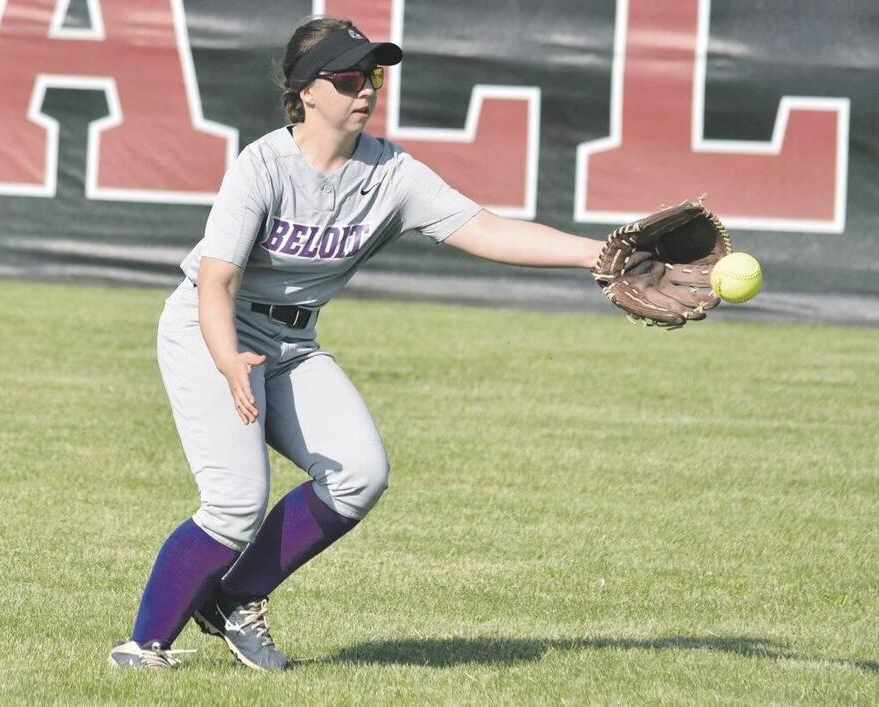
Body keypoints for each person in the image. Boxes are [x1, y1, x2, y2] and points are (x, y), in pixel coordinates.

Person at [109, 15, 604, 671]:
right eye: (347, 76)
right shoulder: (263, 166)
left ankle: (234, 598)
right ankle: (141, 647)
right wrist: (228, 361)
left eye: (372, 73)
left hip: (291, 342)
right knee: (234, 501)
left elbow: (486, 229)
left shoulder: (390, 172)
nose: (365, 88)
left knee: (360, 474)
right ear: (306, 91)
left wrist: (600, 255)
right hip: (213, 329)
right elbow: (215, 280)